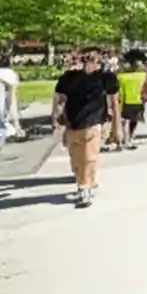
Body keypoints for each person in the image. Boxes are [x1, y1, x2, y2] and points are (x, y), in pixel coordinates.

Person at [50, 48, 119, 208]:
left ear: (100, 59)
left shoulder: (106, 77)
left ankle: (84, 189)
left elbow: (114, 103)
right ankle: (87, 180)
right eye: (86, 57)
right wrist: (55, 116)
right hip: (73, 124)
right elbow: (59, 98)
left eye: (93, 57)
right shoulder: (69, 78)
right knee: (76, 162)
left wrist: (117, 127)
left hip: (94, 123)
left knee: (89, 157)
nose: (90, 61)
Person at [116, 51, 147, 150]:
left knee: (125, 122)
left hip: (126, 101)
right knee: (134, 122)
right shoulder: (141, 76)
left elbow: (120, 92)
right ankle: (130, 138)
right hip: (137, 101)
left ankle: (124, 141)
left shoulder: (121, 77)